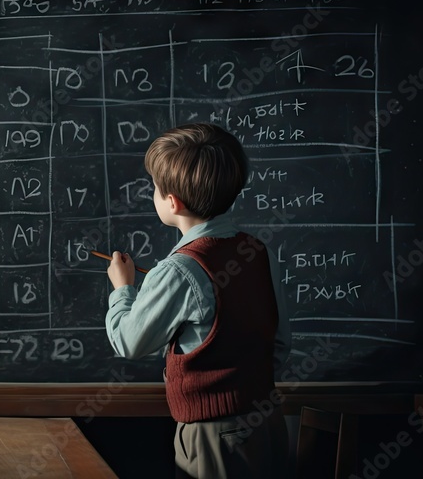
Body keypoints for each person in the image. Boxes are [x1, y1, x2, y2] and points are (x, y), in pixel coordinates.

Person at [104, 122, 290, 479]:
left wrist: (122, 288)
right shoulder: (255, 251)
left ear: (173, 202)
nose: (154, 196)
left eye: (155, 190)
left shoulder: (179, 270)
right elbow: (279, 341)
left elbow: (129, 341)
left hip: (213, 436)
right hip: (268, 422)